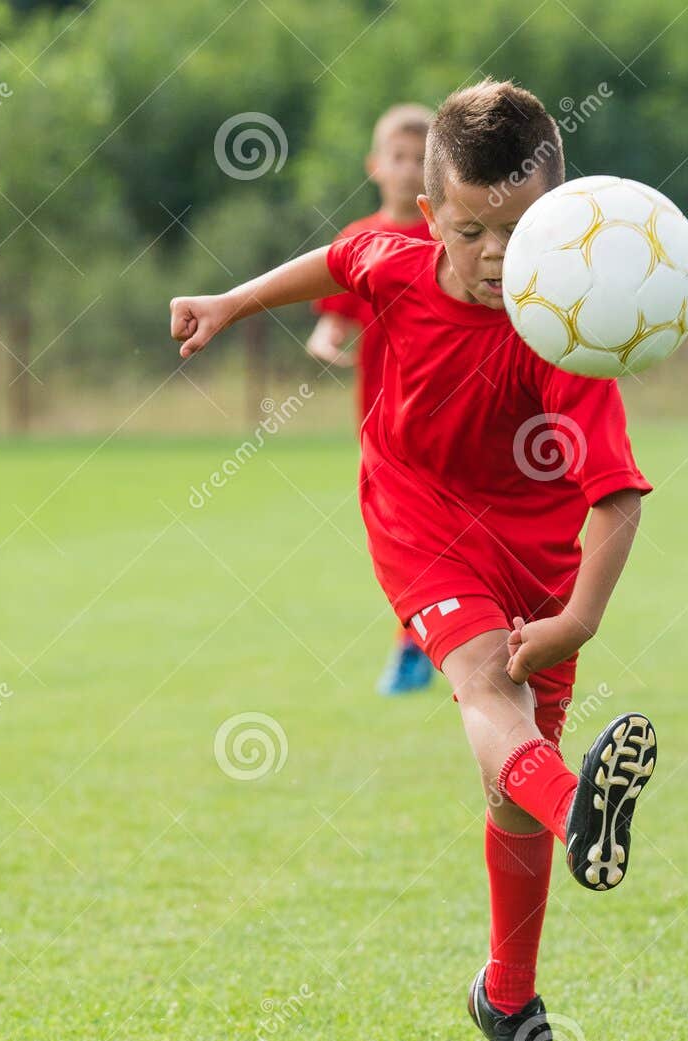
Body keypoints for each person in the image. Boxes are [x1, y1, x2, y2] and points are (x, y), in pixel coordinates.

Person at [171, 79, 658, 1041]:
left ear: (561, 219)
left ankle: (507, 997)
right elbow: (337, 259)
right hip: (419, 524)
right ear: (430, 215)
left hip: (542, 565)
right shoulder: (391, 260)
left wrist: (577, 618)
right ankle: (579, 808)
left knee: (507, 785)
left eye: (519, 230)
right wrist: (230, 302)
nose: (495, 253)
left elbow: (616, 497)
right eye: (472, 230)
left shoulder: (565, 333)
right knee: (486, 685)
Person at [305, 102, 438, 696]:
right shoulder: (359, 241)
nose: (407, 170)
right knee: (404, 541)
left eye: (419, 159)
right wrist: (326, 342)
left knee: (444, 536)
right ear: (374, 165)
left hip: (450, 416)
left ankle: (425, 643)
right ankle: (420, 641)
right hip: (385, 425)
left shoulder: (453, 237)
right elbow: (332, 321)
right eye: (398, 157)